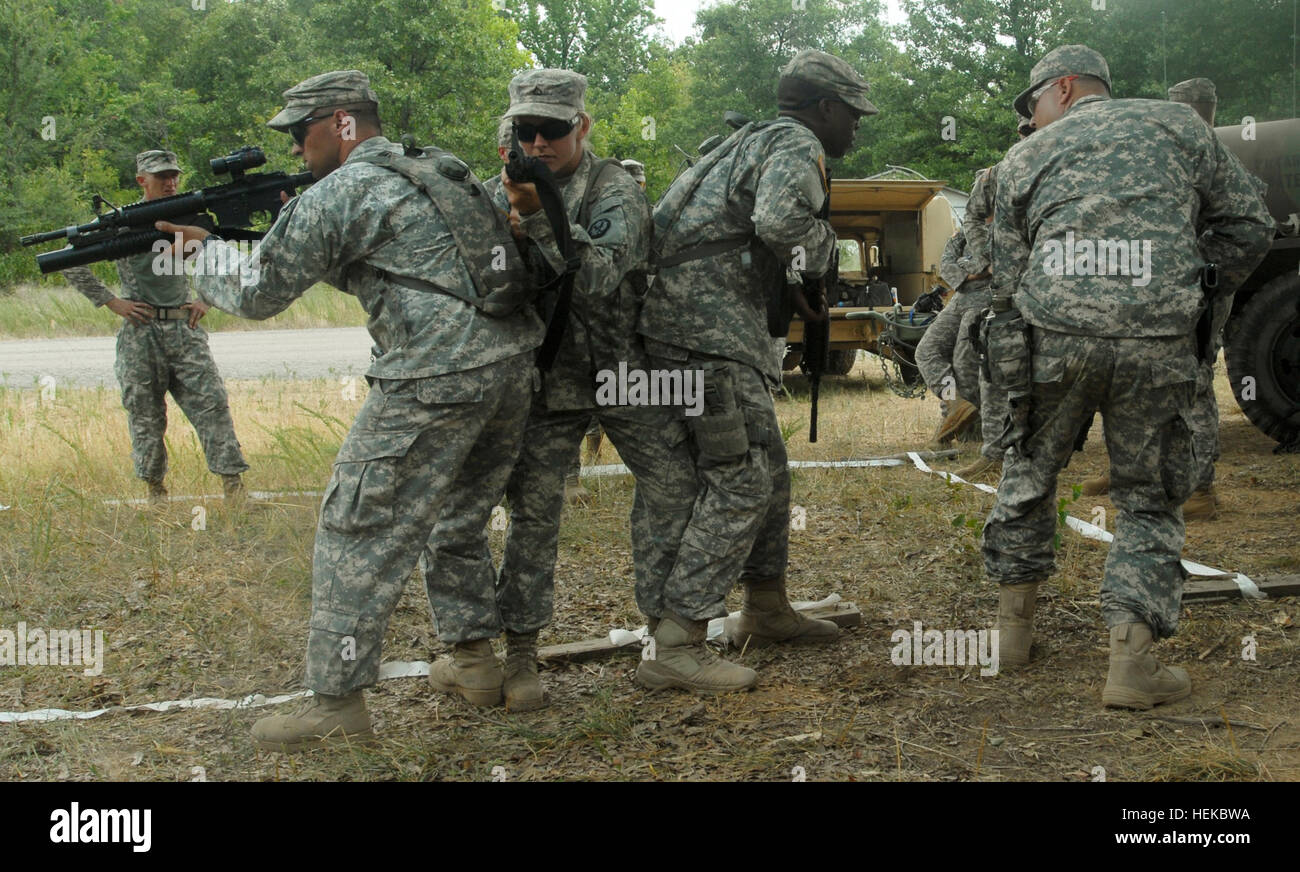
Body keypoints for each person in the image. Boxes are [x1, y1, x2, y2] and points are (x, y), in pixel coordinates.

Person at [160, 70, 546, 750]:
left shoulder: (342, 189)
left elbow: (257, 294)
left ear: (340, 122)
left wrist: (204, 250)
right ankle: (477, 666)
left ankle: (336, 705)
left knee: (354, 525)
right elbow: (410, 261)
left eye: (300, 131)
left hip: (433, 373)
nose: (293, 147)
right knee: (456, 518)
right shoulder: (436, 168)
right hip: (510, 365)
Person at [985, 46, 1272, 709]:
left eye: (1032, 104)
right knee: (1148, 495)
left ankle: (1009, 638)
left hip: (1053, 340)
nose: (1031, 118)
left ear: (1062, 88)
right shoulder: (1178, 126)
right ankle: (1131, 666)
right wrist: (1196, 285)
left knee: (1030, 471)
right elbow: (1250, 226)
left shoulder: (1021, 159)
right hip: (1157, 342)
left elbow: (1004, 274)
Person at [422, 69, 702, 708]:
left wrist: (535, 222)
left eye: (553, 129)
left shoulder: (614, 191)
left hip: (619, 372)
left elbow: (600, 275)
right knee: (534, 515)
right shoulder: (498, 192)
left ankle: (671, 639)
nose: (540, 143)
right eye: (527, 131)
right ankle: (519, 657)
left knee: (675, 484)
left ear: (583, 126)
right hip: (544, 381)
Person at [634, 49, 875, 691]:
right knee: (740, 479)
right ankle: (676, 643)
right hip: (707, 337)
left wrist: (789, 283)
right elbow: (778, 220)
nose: (856, 128)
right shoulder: (795, 141)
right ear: (825, 108)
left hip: (686, 330)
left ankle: (765, 607)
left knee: (768, 465)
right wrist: (819, 261)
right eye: (853, 115)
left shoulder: (744, 141)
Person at [1081, 78, 1233, 521]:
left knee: (1194, 381)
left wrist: (1206, 276)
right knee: (1132, 374)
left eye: (1188, 107)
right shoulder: (1171, 154)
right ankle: (1125, 466)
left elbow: (1243, 225)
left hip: (1197, 286)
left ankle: (1200, 487)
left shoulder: (1212, 156)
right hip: (1156, 283)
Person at [62, 151, 248, 505]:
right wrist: (113, 302)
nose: (170, 182)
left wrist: (207, 298)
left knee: (212, 405)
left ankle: (234, 489)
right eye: (161, 176)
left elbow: (223, 257)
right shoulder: (122, 221)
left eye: (174, 175)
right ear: (141, 180)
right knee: (146, 413)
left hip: (184, 328)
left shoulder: (190, 217)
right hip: (141, 332)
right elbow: (70, 262)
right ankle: (155, 493)